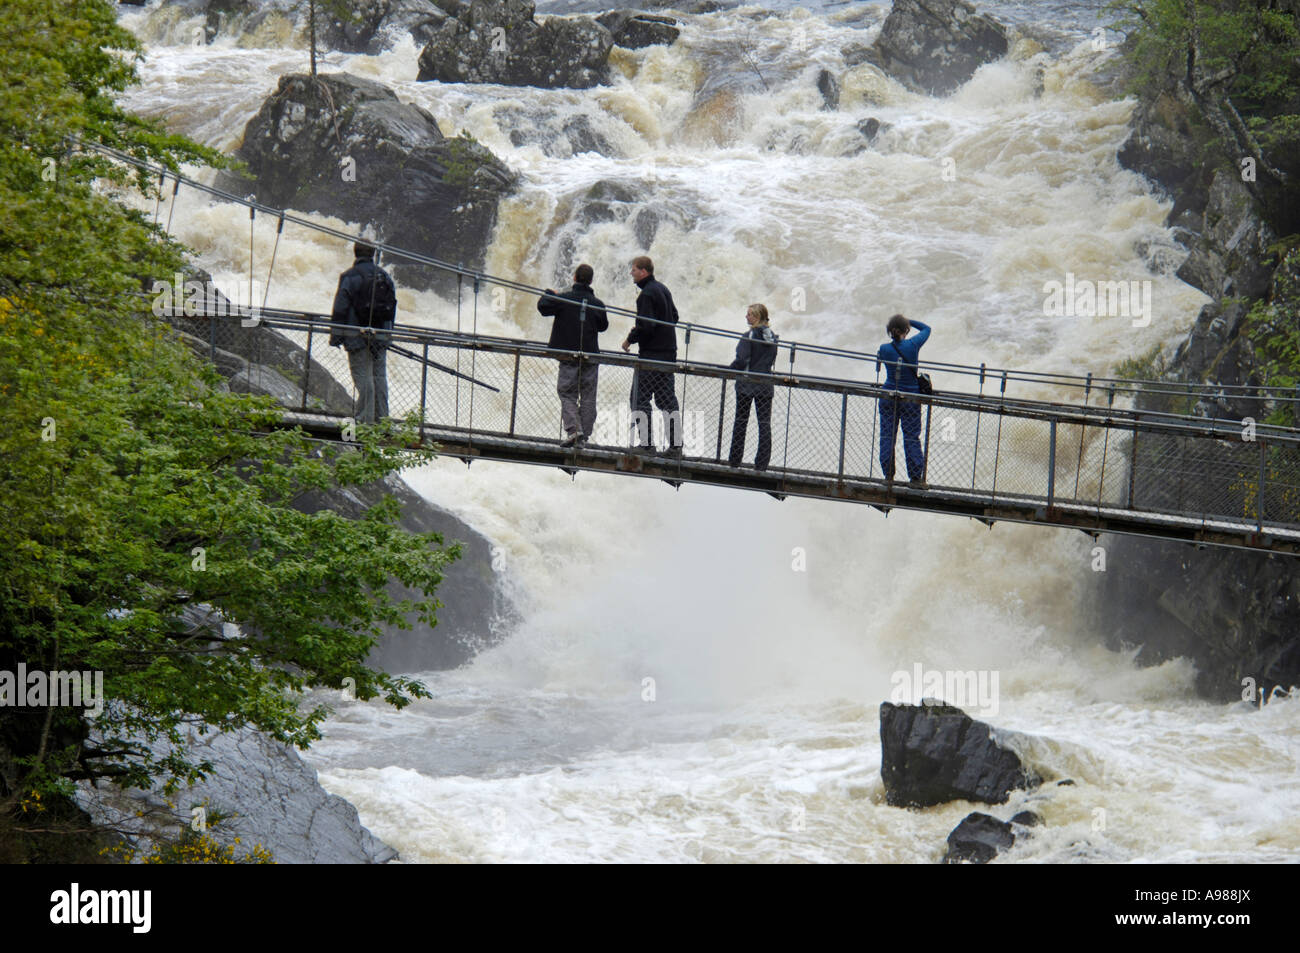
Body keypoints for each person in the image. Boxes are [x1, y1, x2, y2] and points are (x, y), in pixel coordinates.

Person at [538, 264, 608, 447]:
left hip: (569, 356)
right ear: (591, 281)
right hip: (591, 357)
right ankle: (584, 435)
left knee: (567, 393)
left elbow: (543, 307)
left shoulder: (564, 299)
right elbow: (603, 326)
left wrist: (549, 293)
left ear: (574, 278)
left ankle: (574, 430)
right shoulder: (598, 304)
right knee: (588, 395)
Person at [621, 256, 682, 454]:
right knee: (666, 400)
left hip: (652, 356)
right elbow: (675, 316)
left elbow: (646, 326)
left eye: (634, 270)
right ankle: (675, 446)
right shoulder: (663, 289)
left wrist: (630, 339)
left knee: (638, 398)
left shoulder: (646, 294)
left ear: (644, 271)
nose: (632, 273)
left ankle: (646, 444)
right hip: (669, 354)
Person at [330, 242, 396, 424]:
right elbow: (392, 306)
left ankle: (364, 420)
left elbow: (340, 307)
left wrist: (336, 335)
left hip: (355, 335)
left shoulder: (349, 276)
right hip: (380, 335)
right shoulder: (384, 276)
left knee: (363, 377)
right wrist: (388, 334)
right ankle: (382, 419)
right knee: (379, 377)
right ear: (373, 254)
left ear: (355, 253)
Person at [876, 313, 931, 482]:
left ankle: (888, 475)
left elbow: (880, 359)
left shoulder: (884, 349)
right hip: (910, 398)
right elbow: (927, 329)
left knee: (887, 436)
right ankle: (915, 478)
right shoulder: (913, 345)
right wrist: (910, 321)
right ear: (906, 330)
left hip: (888, 395)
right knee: (911, 437)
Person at [727, 303, 778, 471]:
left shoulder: (748, 335)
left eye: (749, 314)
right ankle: (762, 464)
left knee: (741, 421)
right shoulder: (772, 337)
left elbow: (741, 360)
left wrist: (729, 370)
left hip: (746, 385)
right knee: (764, 423)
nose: (746, 317)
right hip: (765, 384)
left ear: (757, 317)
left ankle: (735, 460)